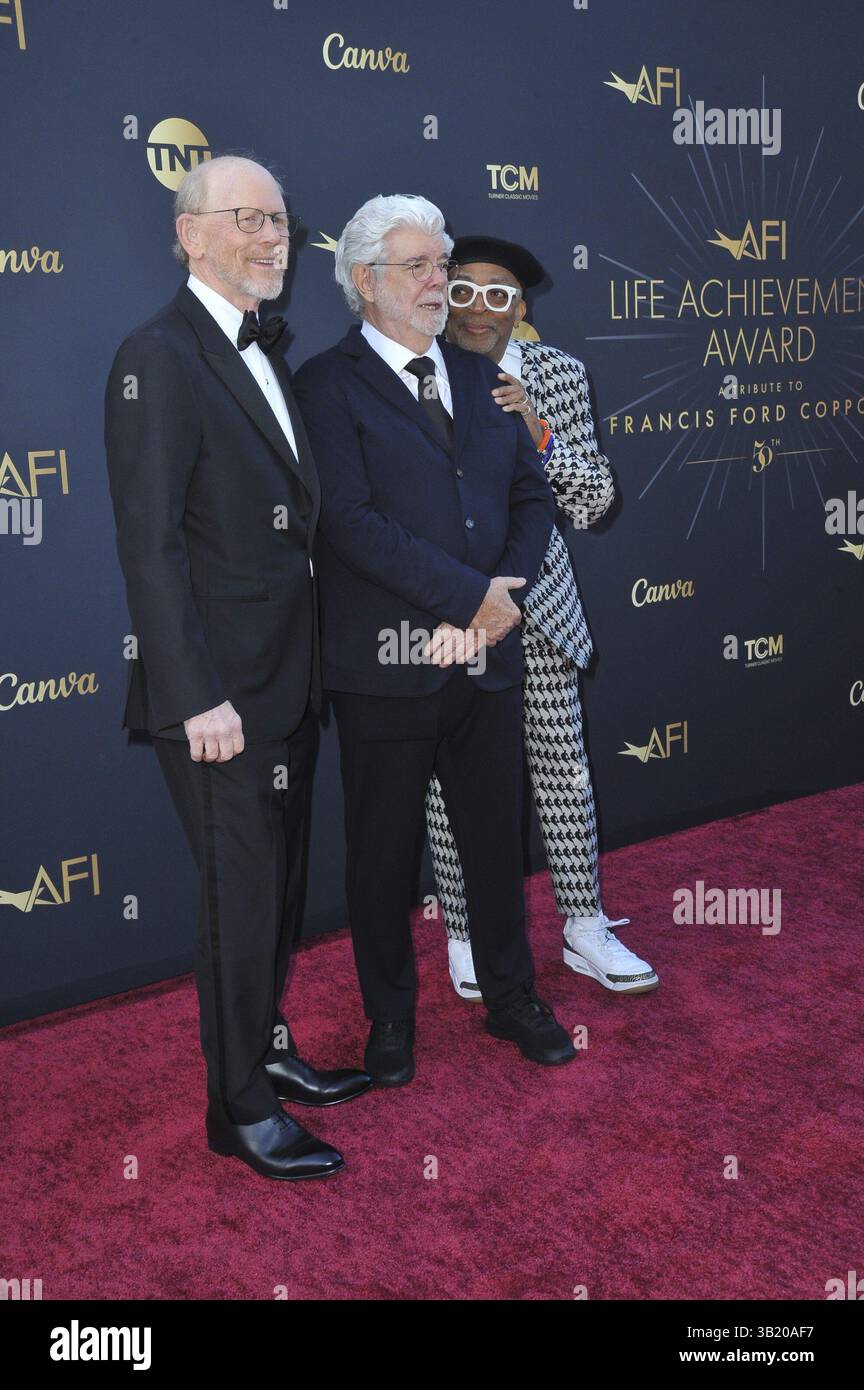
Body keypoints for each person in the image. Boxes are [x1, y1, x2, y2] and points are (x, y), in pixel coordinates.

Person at [104, 155, 371, 1182]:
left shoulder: (265, 350)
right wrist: (194, 693)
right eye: (248, 219)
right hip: (215, 699)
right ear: (190, 234)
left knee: (281, 892)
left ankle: (266, 1049)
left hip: (286, 685)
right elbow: (150, 544)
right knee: (241, 902)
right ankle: (240, 1113)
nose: (272, 238)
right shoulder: (158, 356)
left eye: (281, 220)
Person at [293, 195, 576, 1086]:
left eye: (440, 265)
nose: (438, 283)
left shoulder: (483, 374)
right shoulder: (325, 387)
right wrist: (471, 603)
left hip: (485, 662)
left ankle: (511, 997)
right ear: (364, 282)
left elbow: (531, 498)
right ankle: (389, 1020)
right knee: (382, 856)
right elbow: (349, 522)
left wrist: (502, 603)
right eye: (416, 267)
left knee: (497, 841)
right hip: (385, 668)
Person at [426, 235, 659, 999]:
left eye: (499, 293)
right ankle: (462, 933)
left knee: (561, 771)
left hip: (541, 613)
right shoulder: (411, 374)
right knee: (448, 783)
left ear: (519, 307)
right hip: (449, 613)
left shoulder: (558, 374)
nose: (480, 307)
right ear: (442, 294)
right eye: (464, 289)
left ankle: (584, 927)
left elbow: (592, 502)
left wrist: (540, 435)